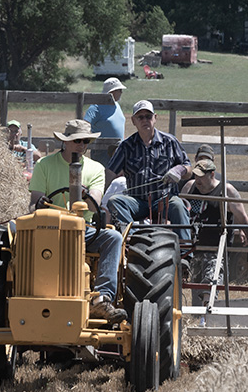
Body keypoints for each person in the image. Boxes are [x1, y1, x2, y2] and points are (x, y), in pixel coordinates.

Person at [28, 119, 127, 324]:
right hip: (49, 229)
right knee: (13, 237)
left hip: (85, 229)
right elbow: (33, 203)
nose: (81, 145)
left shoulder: (95, 169)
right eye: (77, 140)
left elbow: (94, 205)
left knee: (114, 237)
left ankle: (102, 297)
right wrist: (41, 203)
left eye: (85, 142)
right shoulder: (44, 165)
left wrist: (84, 195)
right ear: (65, 142)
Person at [105, 100, 192, 241]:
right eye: (140, 117)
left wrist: (179, 170)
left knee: (178, 205)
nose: (145, 120)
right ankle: (134, 241)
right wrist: (98, 194)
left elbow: (188, 169)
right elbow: (110, 172)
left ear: (155, 118)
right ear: (133, 121)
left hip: (165, 200)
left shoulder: (170, 142)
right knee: (115, 201)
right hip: (137, 201)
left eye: (148, 116)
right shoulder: (126, 146)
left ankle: (185, 253)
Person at [181, 155, 248, 306]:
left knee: (209, 286)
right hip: (192, 249)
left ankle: (207, 316)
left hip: (215, 249)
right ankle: (199, 321)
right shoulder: (189, 187)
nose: (198, 181)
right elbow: (179, 211)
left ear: (212, 175)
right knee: (195, 288)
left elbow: (243, 220)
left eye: (202, 177)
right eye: (196, 176)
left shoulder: (226, 191)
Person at [83, 77, 126, 165]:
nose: (121, 92)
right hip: (102, 151)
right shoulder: (97, 106)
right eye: (119, 90)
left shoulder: (116, 105)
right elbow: (85, 124)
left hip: (118, 149)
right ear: (112, 91)